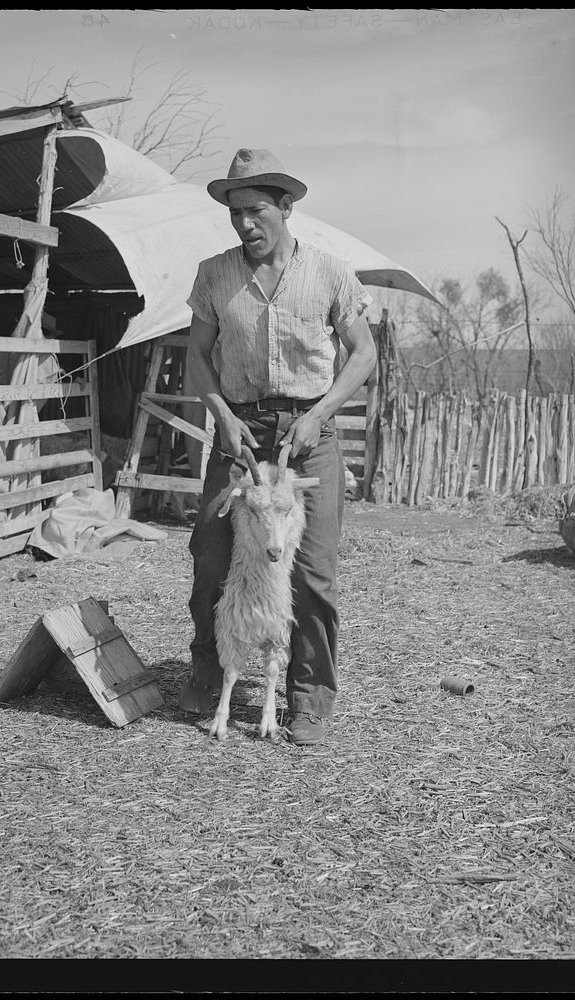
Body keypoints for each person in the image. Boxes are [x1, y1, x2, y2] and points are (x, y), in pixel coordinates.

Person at [178, 148, 377, 745]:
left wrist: (319, 415)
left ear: (286, 207)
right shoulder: (214, 274)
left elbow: (363, 354)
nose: (243, 223)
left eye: (256, 210)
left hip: (306, 439)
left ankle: (310, 695)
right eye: (235, 212)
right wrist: (222, 417)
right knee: (213, 555)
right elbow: (196, 357)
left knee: (312, 570)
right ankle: (212, 672)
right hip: (240, 436)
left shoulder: (331, 273)